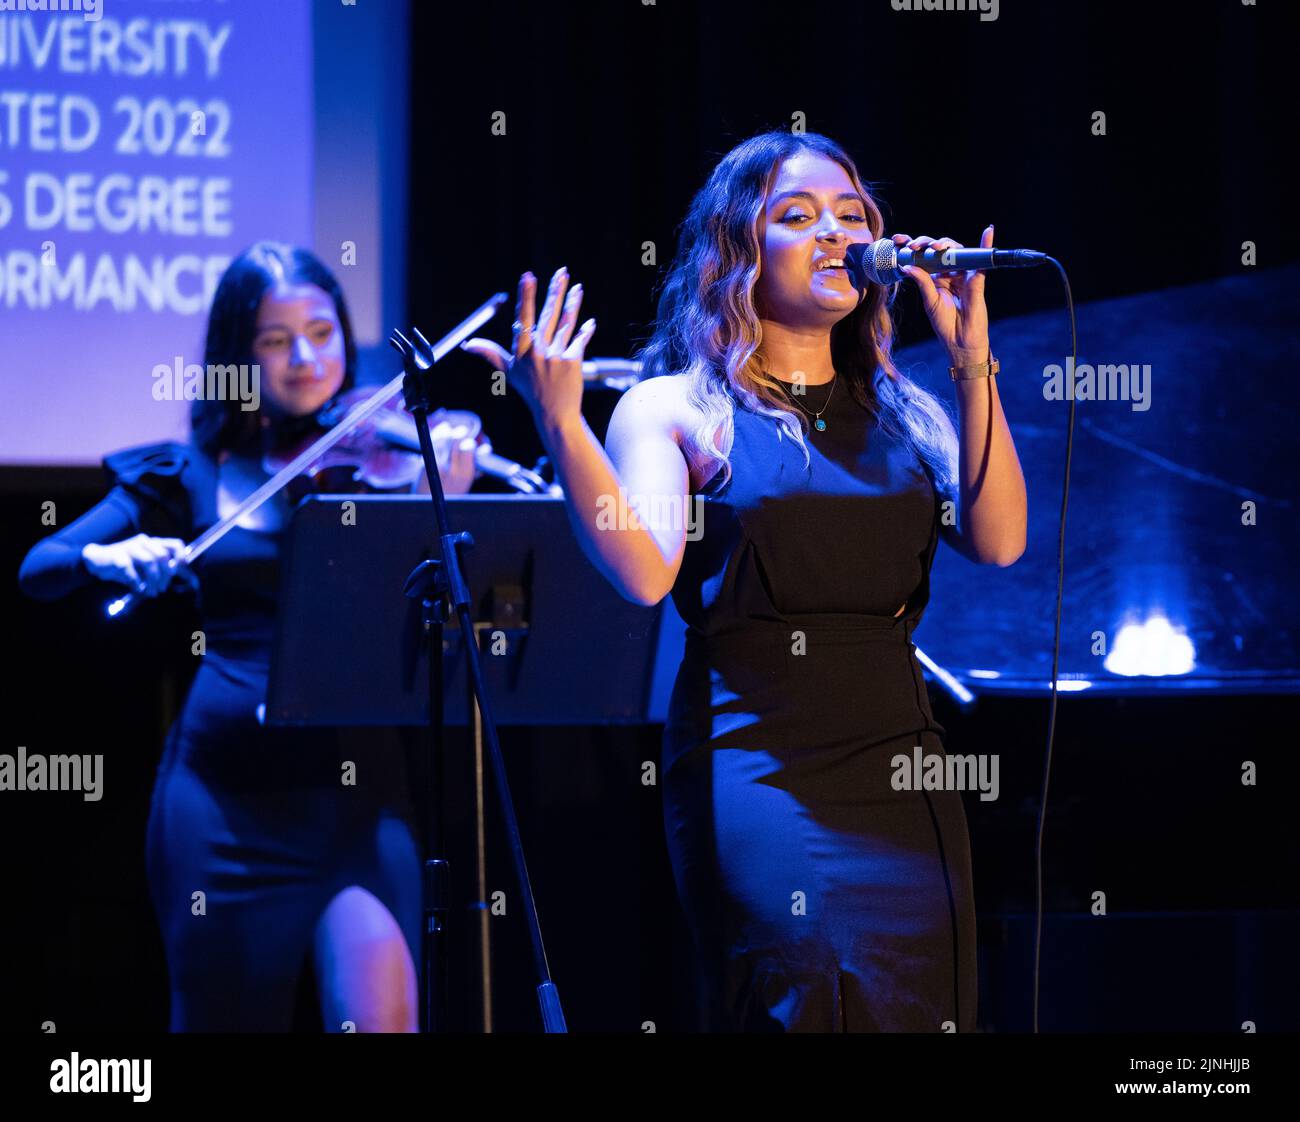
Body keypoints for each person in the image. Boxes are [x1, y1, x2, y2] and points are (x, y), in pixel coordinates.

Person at [463, 130, 1027, 1032]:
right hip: (758, 764)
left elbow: (999, 541)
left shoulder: (908, 406)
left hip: (902, 766)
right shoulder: (675, 406)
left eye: (853, 216)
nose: (835, 234)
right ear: (738, 252)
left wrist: (971, 358)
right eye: (797, 216)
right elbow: (643, 574)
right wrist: (563, 425)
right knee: (799, 994)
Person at [19, 241, 478, 1032]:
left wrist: (449, 492)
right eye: (275, 339)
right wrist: (108, 554)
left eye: (323, 331)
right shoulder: (190, 472)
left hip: (362, 802)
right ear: (239, 353)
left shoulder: (389, 451)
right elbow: (42, 567)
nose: (305, 356)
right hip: (225, 806)